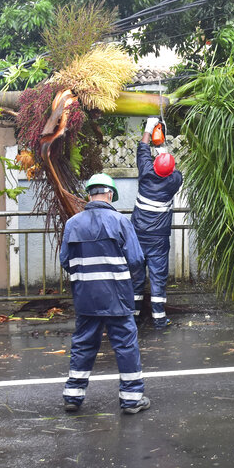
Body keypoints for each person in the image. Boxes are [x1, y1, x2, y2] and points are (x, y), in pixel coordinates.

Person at [61, 173, 150, 414]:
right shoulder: (121, 222)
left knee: (83, 344)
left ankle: (73, 396)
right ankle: (132, 399)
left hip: (86, 298)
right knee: (125, 345)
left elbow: (65, 261)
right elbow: (136, 260)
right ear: (110, 194)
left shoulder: (72, 224)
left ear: (89, 194)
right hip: (117, 298)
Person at [131, 116, 184, 329]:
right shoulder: (174, 180)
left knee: (135, 276)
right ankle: (159, 319)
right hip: (158, 239)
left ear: (153, 166)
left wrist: (149, 128)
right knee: (158, 277)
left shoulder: (145, 174)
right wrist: (161, 146)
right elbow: (169, 168)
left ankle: (133, 317)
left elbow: (142, 149)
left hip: (137, 233)